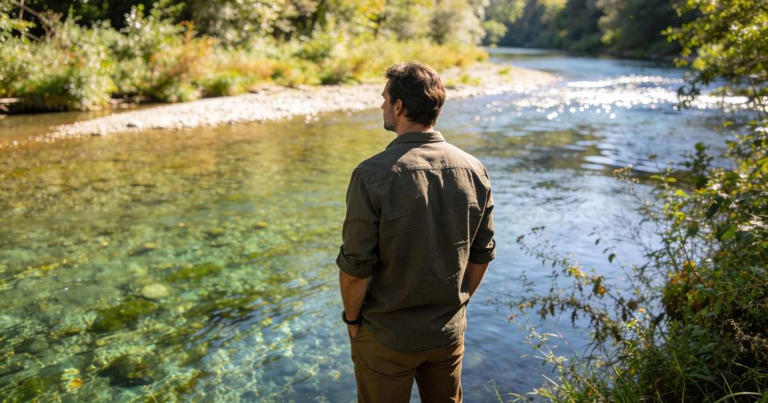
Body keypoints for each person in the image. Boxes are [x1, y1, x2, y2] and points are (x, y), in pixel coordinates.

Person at [337, 62, 496, 403]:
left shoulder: (371, 174)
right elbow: (482, 254)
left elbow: (355, 269)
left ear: (399, 106)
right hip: (447, 334)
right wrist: (458, 302)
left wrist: (352, 320)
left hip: (386, 338)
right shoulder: (474, 169)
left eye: (384, 98)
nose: (381, 105)